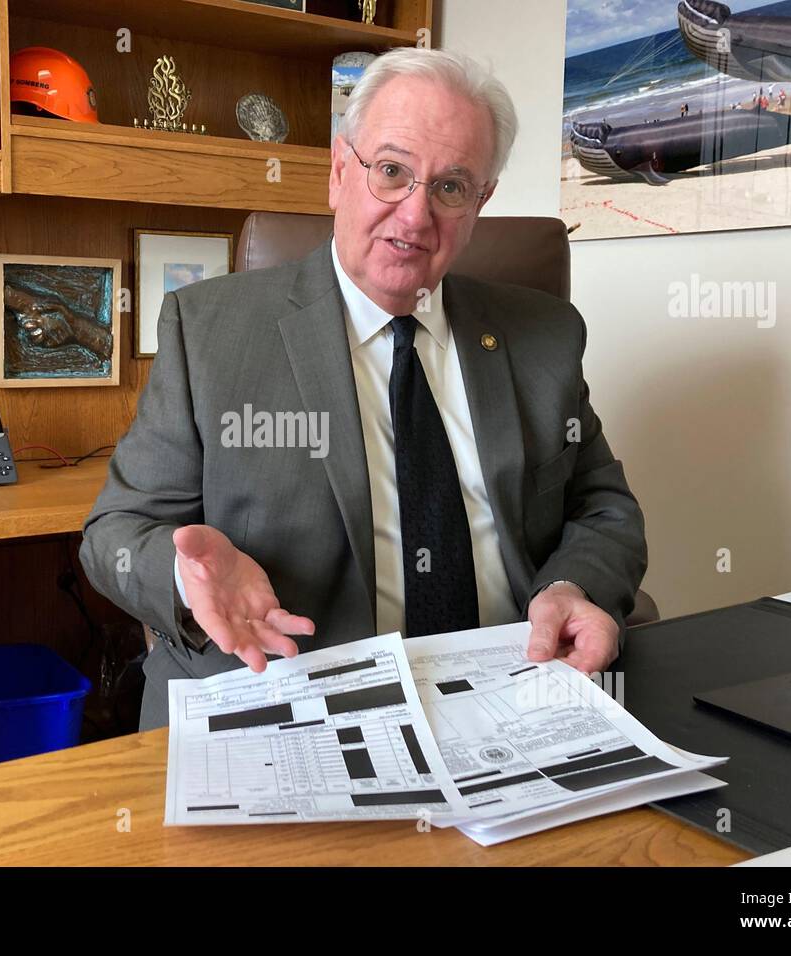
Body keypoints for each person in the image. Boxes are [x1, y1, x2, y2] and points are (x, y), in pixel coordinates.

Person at [80, 48, 648, 730]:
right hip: (291, 700)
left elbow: (604, 509)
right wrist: (187, 579)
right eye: (391, 171)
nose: (414, 217)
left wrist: (571, 586)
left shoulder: (543, 337)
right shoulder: (209, 332)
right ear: (340, 170)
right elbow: (112, 534)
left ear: (480, 203)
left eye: (450, 186)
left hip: (512, 697)